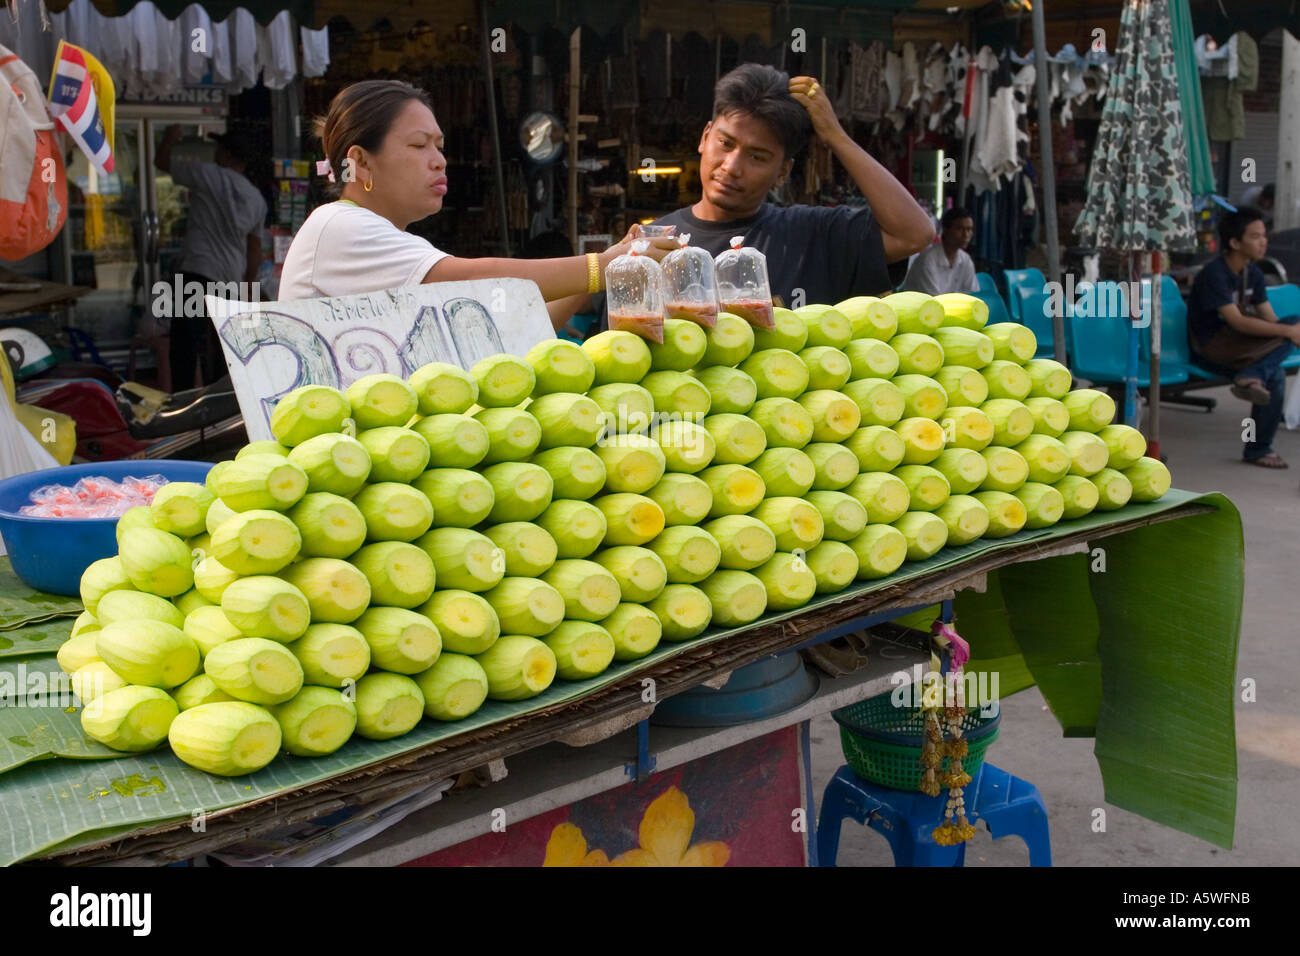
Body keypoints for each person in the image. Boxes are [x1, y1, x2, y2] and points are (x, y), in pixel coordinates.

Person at [278, 80, 673, 328]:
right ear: (360, 161)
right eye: (419, 145)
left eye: (440, 146)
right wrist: (603, 266)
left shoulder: (390, 244)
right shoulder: (338, 225)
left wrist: (603, 269)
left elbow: (514, 332)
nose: (439, 160)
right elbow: (476, 281)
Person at [650, 64, 933, 305]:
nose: (732, 167)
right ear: (705, 137)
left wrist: (836, 136)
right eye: (725, 143)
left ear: (783, 171)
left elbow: (914, 234)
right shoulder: (655, 243)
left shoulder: (813, 237)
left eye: (757, 157)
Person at [156, 125, 267, 391]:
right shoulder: (256, 198)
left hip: (197, 271)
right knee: (223, 346)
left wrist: (169, 139)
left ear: (226, 154)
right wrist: (247, 290)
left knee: (185, 344)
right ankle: (221, 404)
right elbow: (254, 250)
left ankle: (183, 404)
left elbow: (160, 162)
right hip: (230, 278)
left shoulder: (208, 175)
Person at [1188, 206, 1299, 468]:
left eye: (1264, 235)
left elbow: (1270, 319)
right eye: (1256, 236)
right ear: (1235, 242)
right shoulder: (1213, 274)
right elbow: (1236, 321)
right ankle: (1258, 448)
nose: (1264, 241)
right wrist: (1288, 333)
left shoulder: (1254, 273)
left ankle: (1254, 377)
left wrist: (1289, 331)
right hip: (1211, 349)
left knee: (1278, 366)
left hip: (1240, 346)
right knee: (1282, 349)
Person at [902, 207, 977, 295]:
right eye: (959, 229)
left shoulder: (966, 260)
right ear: (945, 229)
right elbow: (934, 302)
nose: (966, 235)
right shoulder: (928, 260)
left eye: (969, 229)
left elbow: (973, 295)